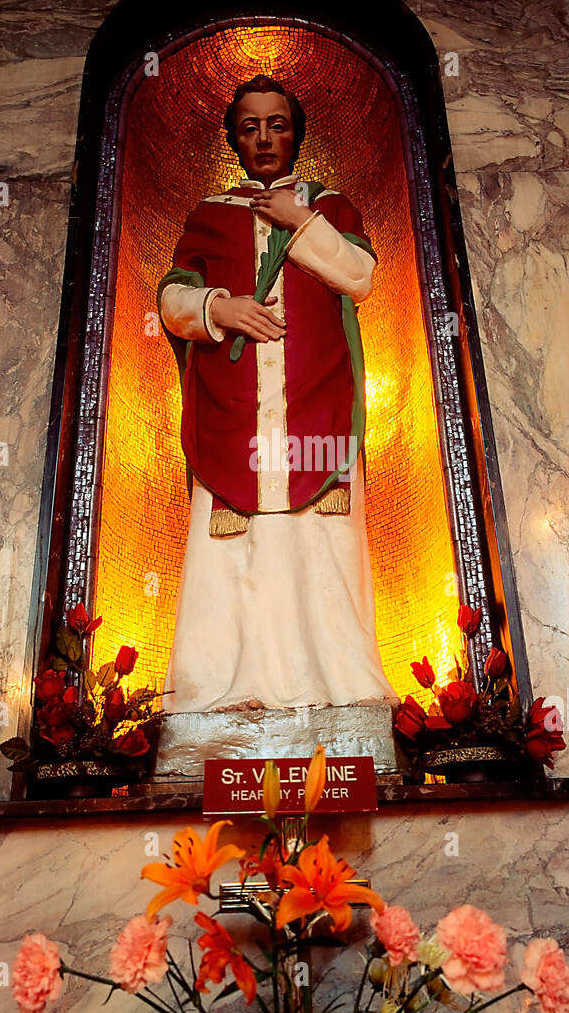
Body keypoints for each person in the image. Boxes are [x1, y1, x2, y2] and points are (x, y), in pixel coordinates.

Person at [156, 74, 397, 714]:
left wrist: (301, 221)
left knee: (318, 552)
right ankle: (219, 700)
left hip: (315, 410)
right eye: (250, 126)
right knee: (231, 564)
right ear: (234, 138)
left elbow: (359, 274)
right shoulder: (211, 213)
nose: (265, 137)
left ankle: (339, 696)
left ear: (296, 134)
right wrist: (221, 308)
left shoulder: (334, 207)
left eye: (278, 123)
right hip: (234, 417)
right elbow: (171, 299)